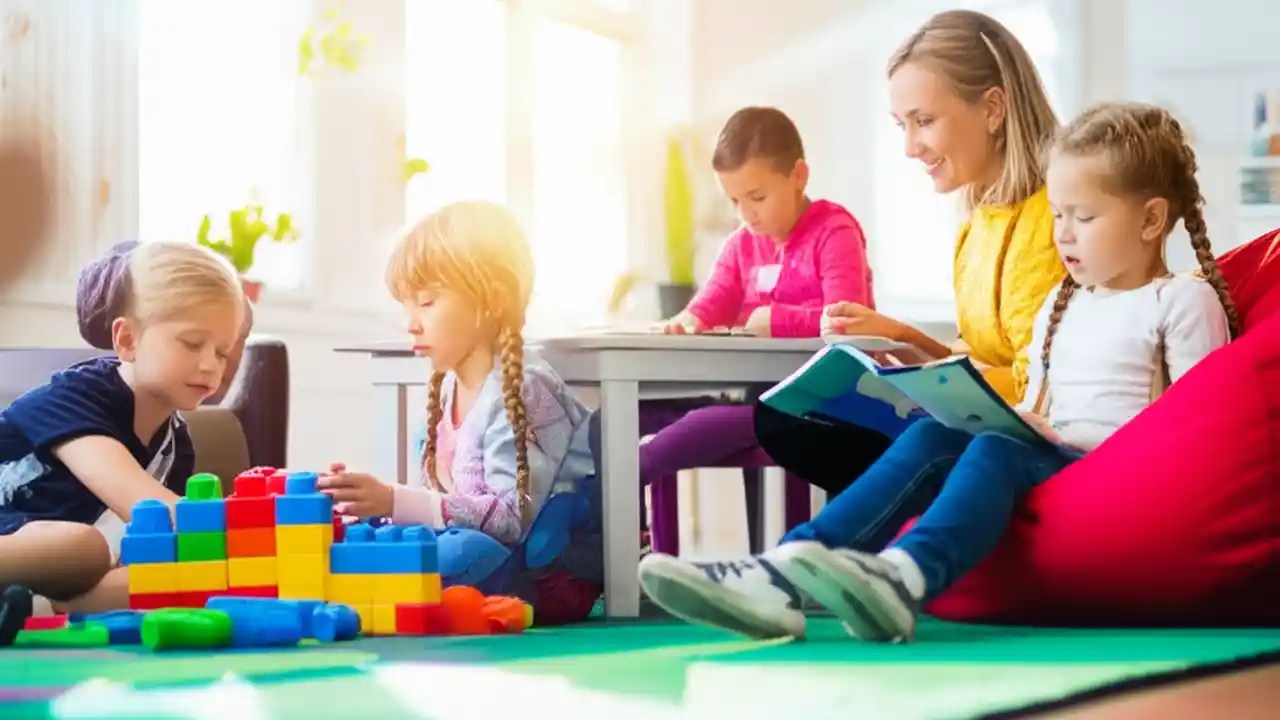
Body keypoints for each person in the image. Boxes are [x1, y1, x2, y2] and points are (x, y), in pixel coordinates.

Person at [639, 101, 1238, 642]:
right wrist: (1020, 415)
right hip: (1053, 459)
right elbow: (1043, 400)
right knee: (934, 434)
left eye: (1083, 217)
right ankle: (778, 574)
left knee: (996, 450)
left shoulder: (1180, 301)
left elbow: (1194, 434)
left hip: (1108, 474)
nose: (1062, 235)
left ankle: (904, 576)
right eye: (1057, 215)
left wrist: (1035, 437)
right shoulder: (1069, 301)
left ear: (1151, 220)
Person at [754, 9, 1067, 493]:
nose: (910, 147)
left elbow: (1036, 387)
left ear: (993, 109)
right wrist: (900, 340)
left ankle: (835, 560)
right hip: (982, 416)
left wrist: (918, 377)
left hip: (1018, 434)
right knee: (786, 416)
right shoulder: (980, 222)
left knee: (810, 427)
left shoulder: (1053, 219)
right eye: (902, 124)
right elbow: (981, 354)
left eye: (923, 121)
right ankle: (834, 560)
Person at [318, 200, 602, 624]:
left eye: (427, 302)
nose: (411, 323)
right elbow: (439, 506)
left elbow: (509, 520)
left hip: (543, 571)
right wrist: (373, 506)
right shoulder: (448, 387)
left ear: (491, 300)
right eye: (406, 305)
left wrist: (396, 500)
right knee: (376, 538)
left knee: (459, 551)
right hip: (482, 552)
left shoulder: (524, 389)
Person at [639, 106, 876, 552]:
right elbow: (711, 302)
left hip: (820, 408)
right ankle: (634, 535)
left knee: (687, 434)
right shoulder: (742, 244)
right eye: (734, 202)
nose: (747, 214)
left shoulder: (834, 231)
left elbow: (849, 317)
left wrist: (779, 320)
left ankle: (627, 496)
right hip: (759, 401)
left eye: (757, 196)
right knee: (614, 422)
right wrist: (687, 321)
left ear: (798, 176)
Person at [0, 242, 247, 637]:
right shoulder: (77, 397)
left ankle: (28, 610)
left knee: (181, 579)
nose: (210, 366)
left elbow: (165, 542)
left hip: (52, 574)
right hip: (27, 538)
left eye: (222, 352)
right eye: (192, 343)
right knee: (85, 548)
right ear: (128, 339)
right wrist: (258, 531)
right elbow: (146, 506)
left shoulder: (175, 443)